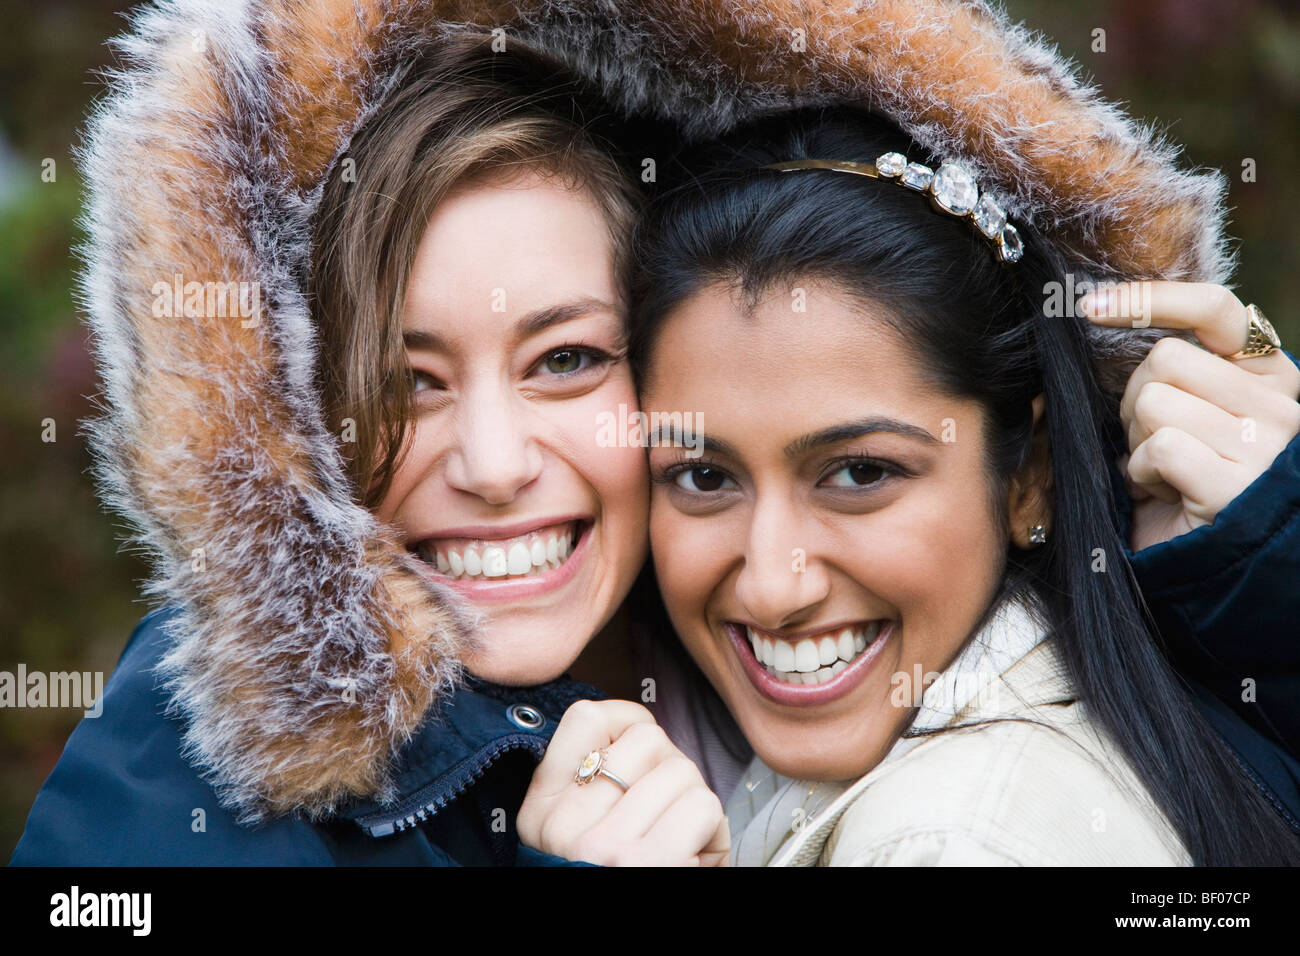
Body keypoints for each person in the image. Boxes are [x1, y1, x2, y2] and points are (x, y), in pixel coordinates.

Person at [12, 0, 1300, 866]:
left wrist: (1260, 592)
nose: (498, 460)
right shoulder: (182, 783)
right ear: (296, 413)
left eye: (568, 358)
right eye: (404, 381)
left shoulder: (979, 765)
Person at [601, 106, 1300, 865]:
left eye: (861, 473)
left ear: (1028, 476)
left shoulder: (945, 842)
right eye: (704, 478)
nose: (774, 587)